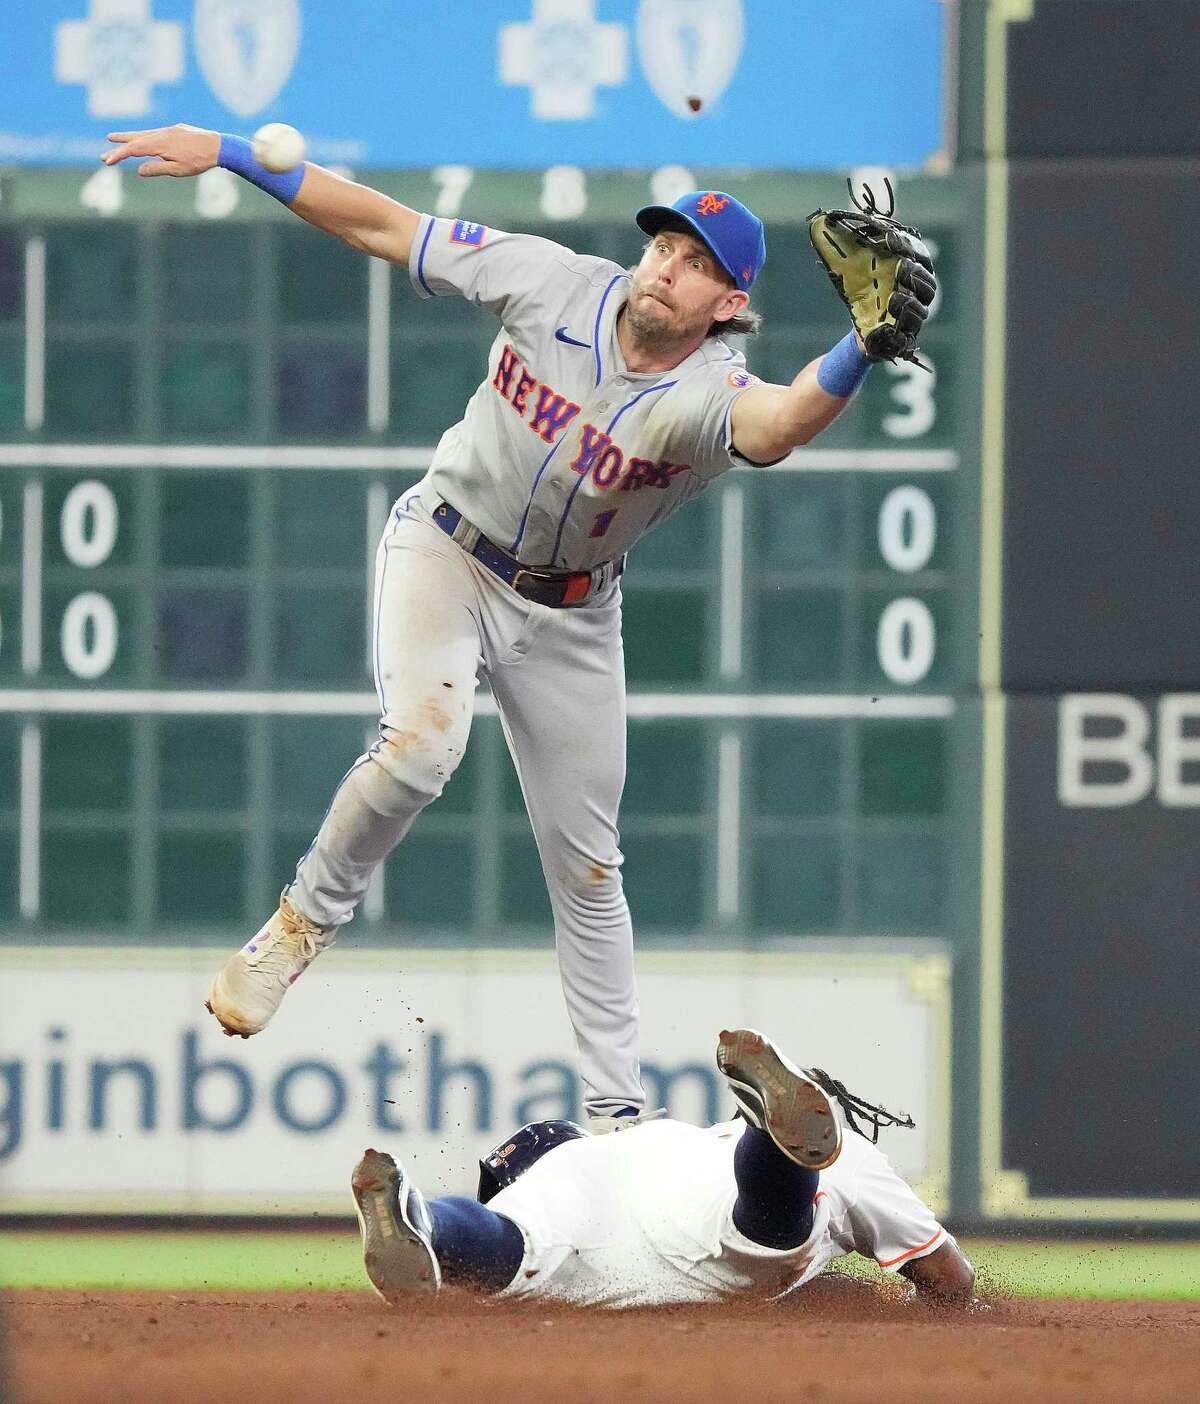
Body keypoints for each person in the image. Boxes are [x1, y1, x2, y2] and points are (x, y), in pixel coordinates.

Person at [101, 127, 937, 1130]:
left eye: (698, 265)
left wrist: (857, 348)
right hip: (448, 549)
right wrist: (235, 152)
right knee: (418, 750)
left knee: (588, 865)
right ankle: (298, 926)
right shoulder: (552, 281)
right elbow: (382, 224)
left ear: (731, 306)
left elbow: (778, 426)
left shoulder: (708, 390)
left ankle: (617, 1116)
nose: (669, 266)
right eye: (666, 246)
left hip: (574, 612)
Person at [349, 1027, 978, 1310]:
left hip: (597, 1185)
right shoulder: (855, 1162)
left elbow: (510, 1206)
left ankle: (423, 1218)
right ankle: (775, 1142)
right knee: (765, 1229)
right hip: (701, 1208)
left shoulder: (565, 1164)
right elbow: (950, 1280)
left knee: (506, 1245)